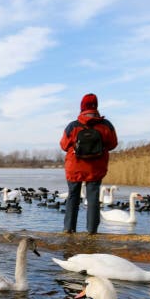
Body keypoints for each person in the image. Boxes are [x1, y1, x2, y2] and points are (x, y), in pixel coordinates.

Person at [60, 93, 118, 234]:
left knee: (73, 196)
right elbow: (113, 144)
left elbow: (63, 145)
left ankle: (69, 229)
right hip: (96, 167)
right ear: (96, 106)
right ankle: (92, 231)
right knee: (93, 198)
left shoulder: (73, 126)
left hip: (75, 167)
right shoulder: (106, 125)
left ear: (82, 106)